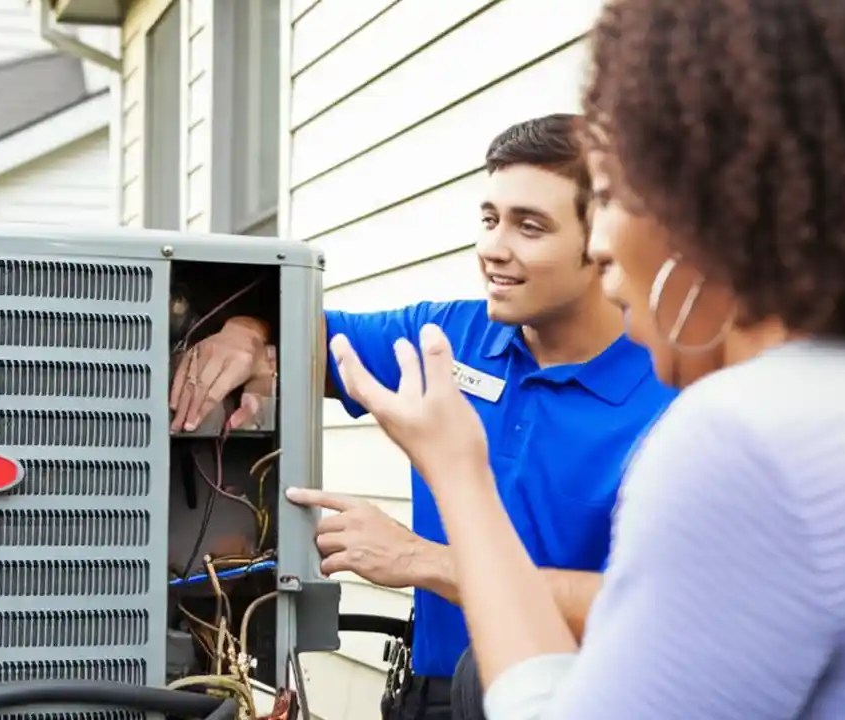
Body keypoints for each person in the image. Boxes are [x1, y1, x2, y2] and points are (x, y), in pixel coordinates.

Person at [324, 0, 845, 718]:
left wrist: (458, 474)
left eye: (611, 195)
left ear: (704, 201)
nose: (603, 244)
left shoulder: (743, 436)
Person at [170, 114, 676, 720]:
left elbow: (647, 609)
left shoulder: (672, 396)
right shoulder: (450, 337)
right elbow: (308, 329)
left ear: (603, 245)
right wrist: (247, 334)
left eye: (530, 227)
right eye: (490, 219)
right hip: (434, 697)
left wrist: (421, 561)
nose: (494, 248)